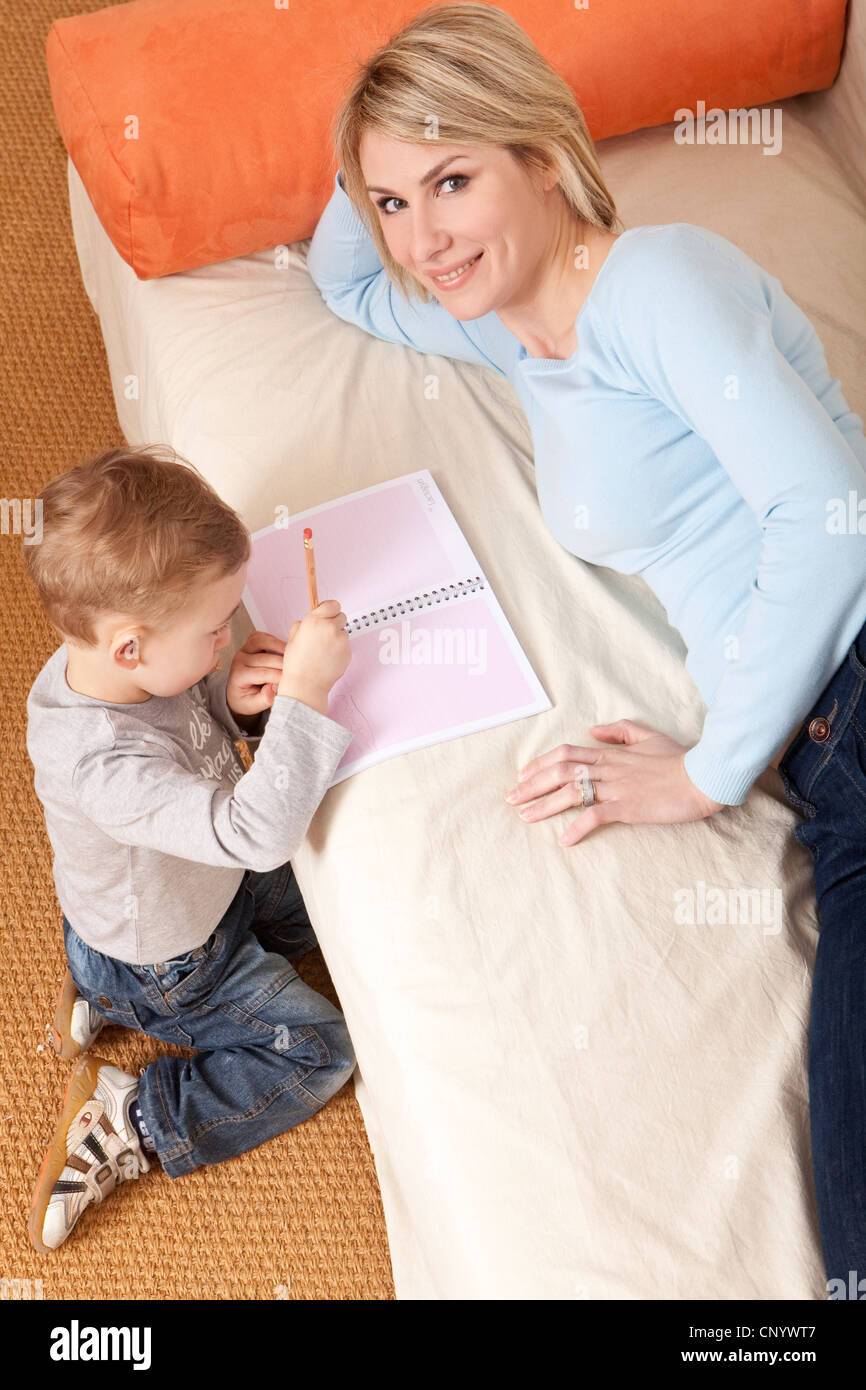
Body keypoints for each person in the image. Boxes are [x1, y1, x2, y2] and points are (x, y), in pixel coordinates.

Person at [305, 2, 866, 1287]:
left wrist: (710, 771)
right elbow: (344, 280)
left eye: (452, 180)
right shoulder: (505, 319)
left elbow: (829, 521)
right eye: (391, 200)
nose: (420, 238)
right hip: (834, 774)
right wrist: (376, 106)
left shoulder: (652, 283)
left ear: (543, 154)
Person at [23, 444, 356, 1252]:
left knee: (341, 904)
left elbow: (183, 717)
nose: (227, 637)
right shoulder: (101, 763)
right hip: (171, 963)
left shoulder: (112, 668)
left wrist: (226, 695)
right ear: (131, 646)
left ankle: (96, 992)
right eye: (215, 630)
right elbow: (255, 830)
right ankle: (132, 1114)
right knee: (320, 1050)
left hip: (196, 887)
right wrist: (305, 697)